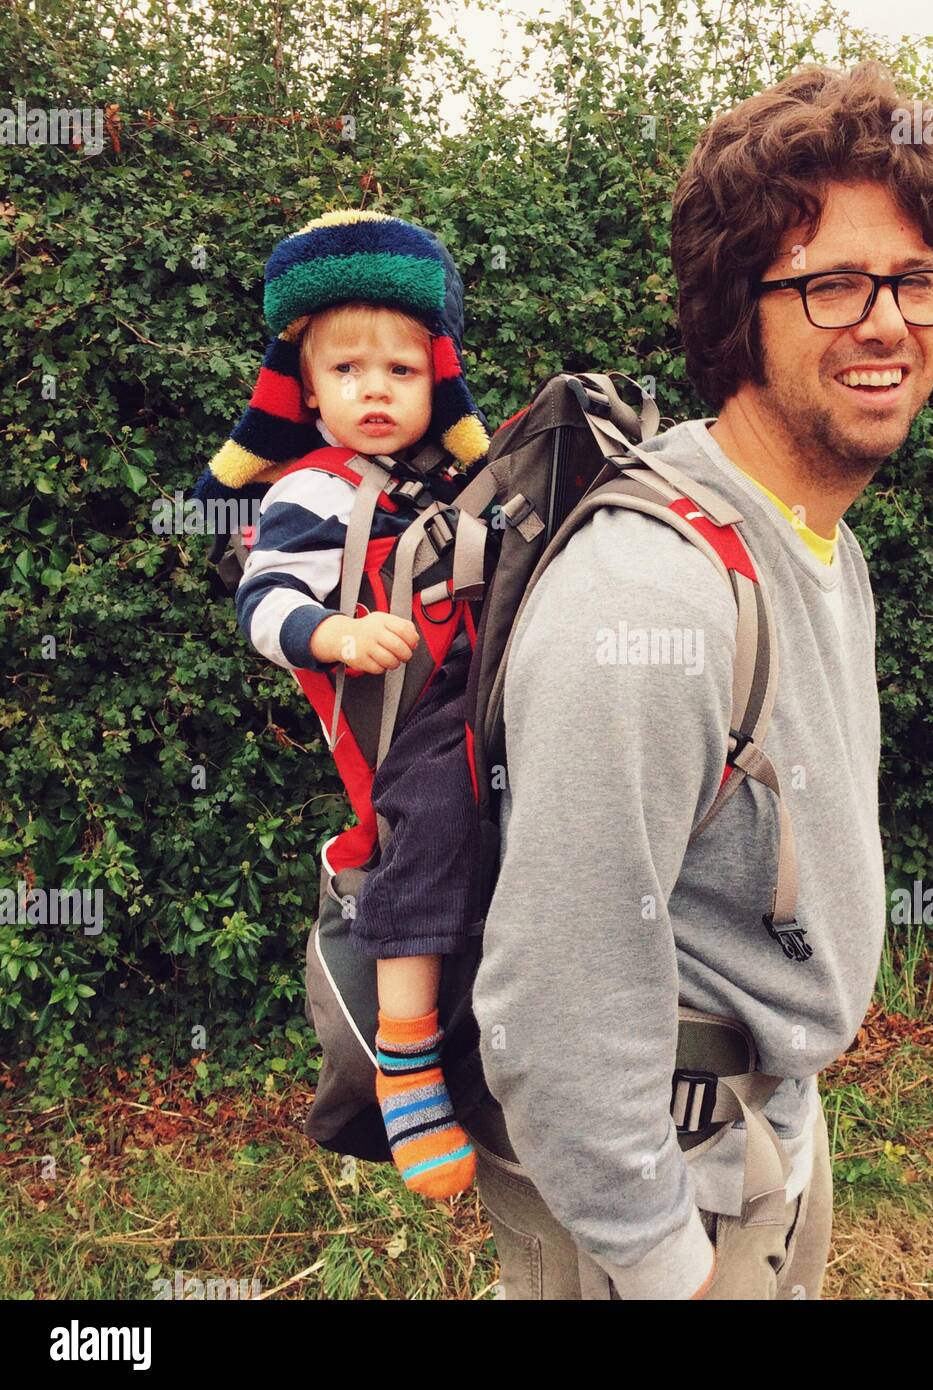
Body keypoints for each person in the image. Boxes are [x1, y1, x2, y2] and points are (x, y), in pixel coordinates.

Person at [469, 60, 933, 1299]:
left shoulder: (814, 537)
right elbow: (552, 1009)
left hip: (764, 1135)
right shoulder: (648, 600)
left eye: (911, 279)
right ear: (736, 310)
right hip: (657, 1204)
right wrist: (666, 1267)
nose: (888, 321)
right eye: (831, 283)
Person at [197, 210, 492, 1200]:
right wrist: (336, 634)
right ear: (305, 387)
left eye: (401, 372)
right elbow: (263, 600)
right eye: (348, 371)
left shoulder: (449, 484)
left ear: (436, 381)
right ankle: (404, 1060)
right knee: (433, 820)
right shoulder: (315, 490)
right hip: (401, 727)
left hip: (479, 706)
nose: (375, 389)